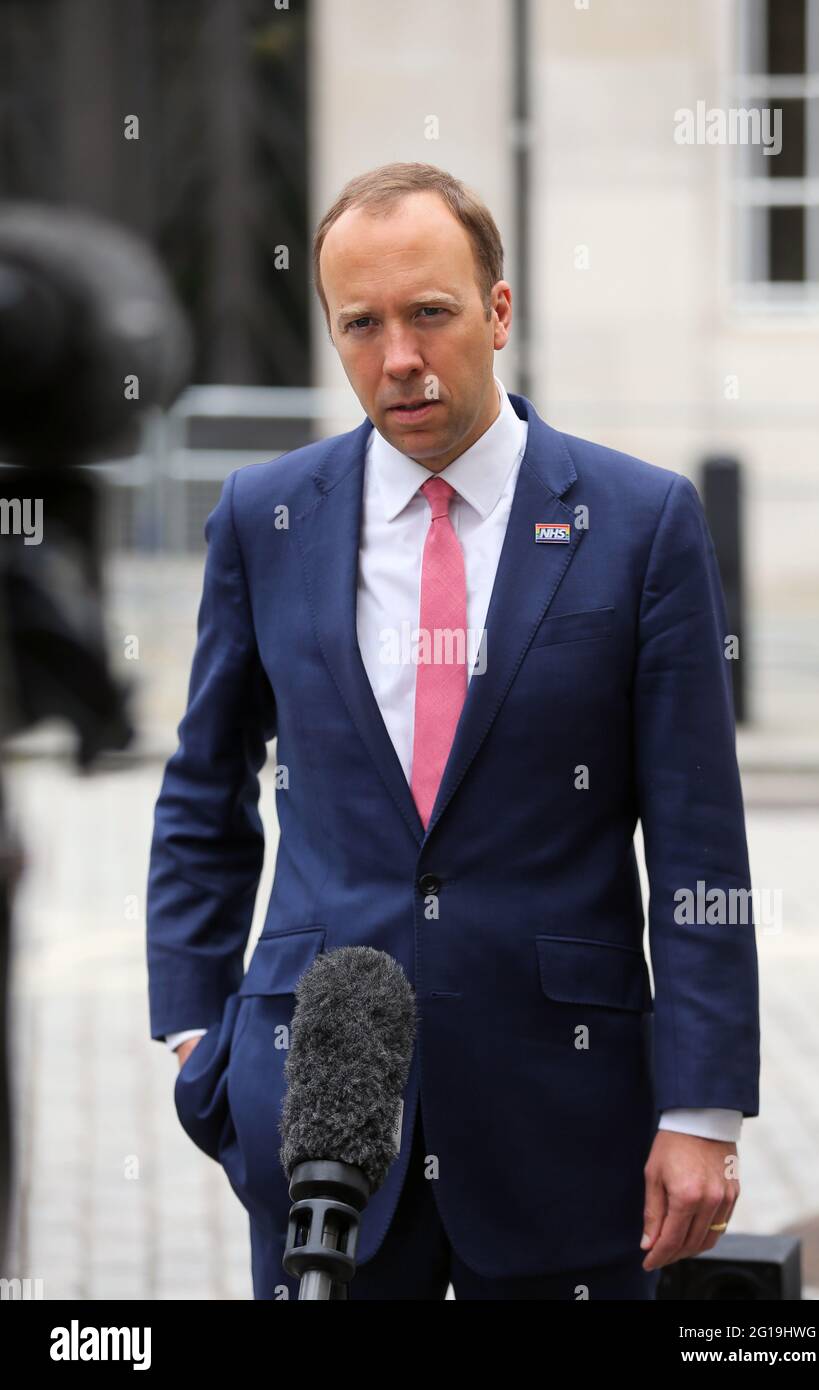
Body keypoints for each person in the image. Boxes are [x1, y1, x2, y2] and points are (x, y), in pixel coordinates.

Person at [147, 161, 760, 1300]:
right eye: (360, 324)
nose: (398, 360)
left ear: (497, 310)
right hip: (321, 1131)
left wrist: (701, 1105)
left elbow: (695, 841)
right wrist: (197, 1040)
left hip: (564, 1124)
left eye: (428, 312)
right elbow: (201, 788)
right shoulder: (263, 516)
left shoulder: (639, 523)